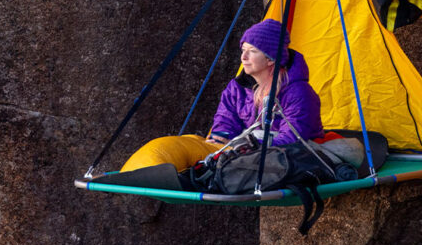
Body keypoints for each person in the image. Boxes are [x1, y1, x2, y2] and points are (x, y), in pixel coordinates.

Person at [121, 19, 323, 173]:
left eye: (252, 51)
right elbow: (224, 126)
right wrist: (220, 146)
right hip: (244, 156)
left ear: (271, 60)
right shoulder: (237, 88)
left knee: (254, 139)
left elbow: (295, 140)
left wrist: (247, 147)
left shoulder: (298, 92)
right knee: (187, 143)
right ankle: (145, 170)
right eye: (243, 50)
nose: (243, 57)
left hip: (288, 157)